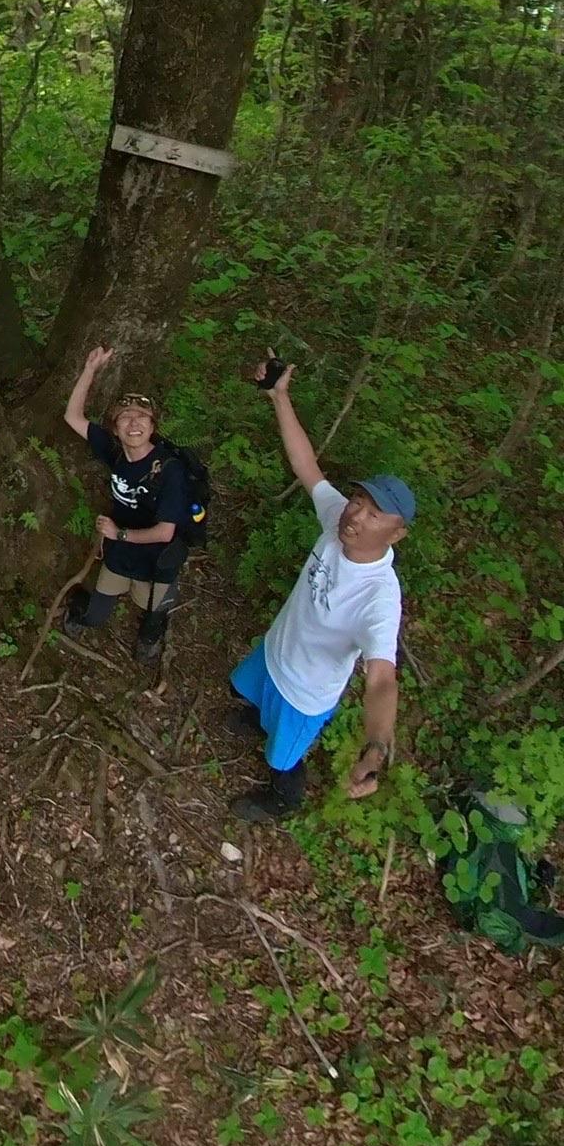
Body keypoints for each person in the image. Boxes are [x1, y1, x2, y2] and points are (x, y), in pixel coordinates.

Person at [226, 354, 415, 823]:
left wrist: (376, 743)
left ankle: (282, 799)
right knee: (245, 695)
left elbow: (381, 679)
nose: (355, 515)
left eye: (374, 514)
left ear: (395, 534)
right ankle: (256, 719)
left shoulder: (380, 597)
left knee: (282, 759)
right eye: (357, 501)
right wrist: (280, 396)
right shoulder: (338, 522)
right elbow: (306, 465)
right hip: (276, 652)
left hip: (304, 693)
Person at [62, 346, 189, 664]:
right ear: (115, 428)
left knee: (156, 612)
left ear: (153, 425)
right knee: (93, 616)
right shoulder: (116, 453)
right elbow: (72, 417)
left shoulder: (170, 470)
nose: (134, 423)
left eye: (142, 417)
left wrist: (118, 534)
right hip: (121, 557)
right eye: (125, 417)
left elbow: (164, 532)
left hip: (159, 561)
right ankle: (82, 609)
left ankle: (151, 636)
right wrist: (90, 369)